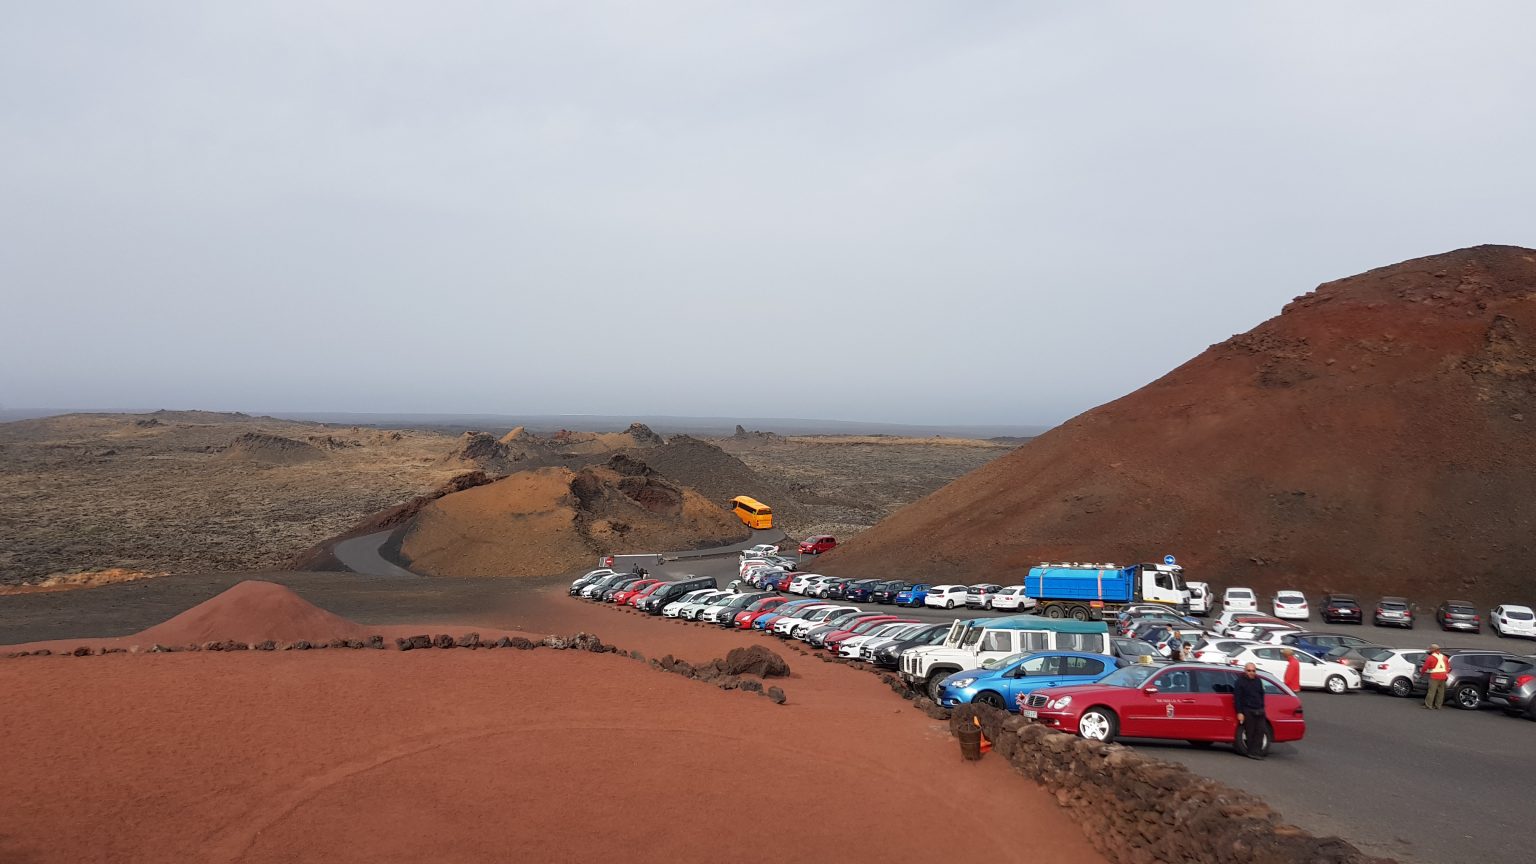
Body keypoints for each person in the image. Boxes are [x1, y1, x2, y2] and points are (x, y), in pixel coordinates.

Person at [1233, 662, 1268, 759]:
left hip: (1259, 710)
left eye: (1253, 671)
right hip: (1247, 710)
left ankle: (1258, 752)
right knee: (1250, 732)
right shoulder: (1240, 682)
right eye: (1249, 671)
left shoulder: (1258, 681)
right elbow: (1237, 698)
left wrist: (1262, 707)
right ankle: (1251, 752)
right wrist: (1239, 712)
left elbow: (1261, 694)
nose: (1251, 673)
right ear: (1245, 671)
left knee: (1260, 731)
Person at [1421, 644, 1450, 709]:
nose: (1429, 650)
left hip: (1434, 676)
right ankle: (1438, 705)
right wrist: (1446, 674)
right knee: (1441, 692)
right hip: (1443, 676)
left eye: (1430, 649)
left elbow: (1425, 667)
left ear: (1433, 650)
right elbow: (1448, 667)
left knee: (1431, 691)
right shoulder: (1444, 657)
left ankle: (1428, 705)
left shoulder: (1431, 657)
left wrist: (1422, 674)